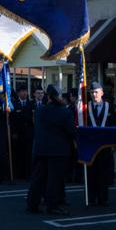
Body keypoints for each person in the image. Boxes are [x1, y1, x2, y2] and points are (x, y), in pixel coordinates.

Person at [26, 85, 75, 215]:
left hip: (40, 148)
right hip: (57, 150)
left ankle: (32, 204)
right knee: (54, 179)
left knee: (38, 178)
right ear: (57, 97)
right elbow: (71, 131)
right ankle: (52, 205)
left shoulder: (40, 110)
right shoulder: (65, 112)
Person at [84, 82, 116, 206]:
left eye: (96, 92)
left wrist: (114, 143)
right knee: (91, 173)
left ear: (102, 92)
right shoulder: (86, 108)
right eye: (92, 92)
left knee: (104, 173)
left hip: (105, 146)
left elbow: (114, 124)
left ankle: (103, 198)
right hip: (91, 146)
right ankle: (91, 198)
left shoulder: (111, 107)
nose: (94, 94)